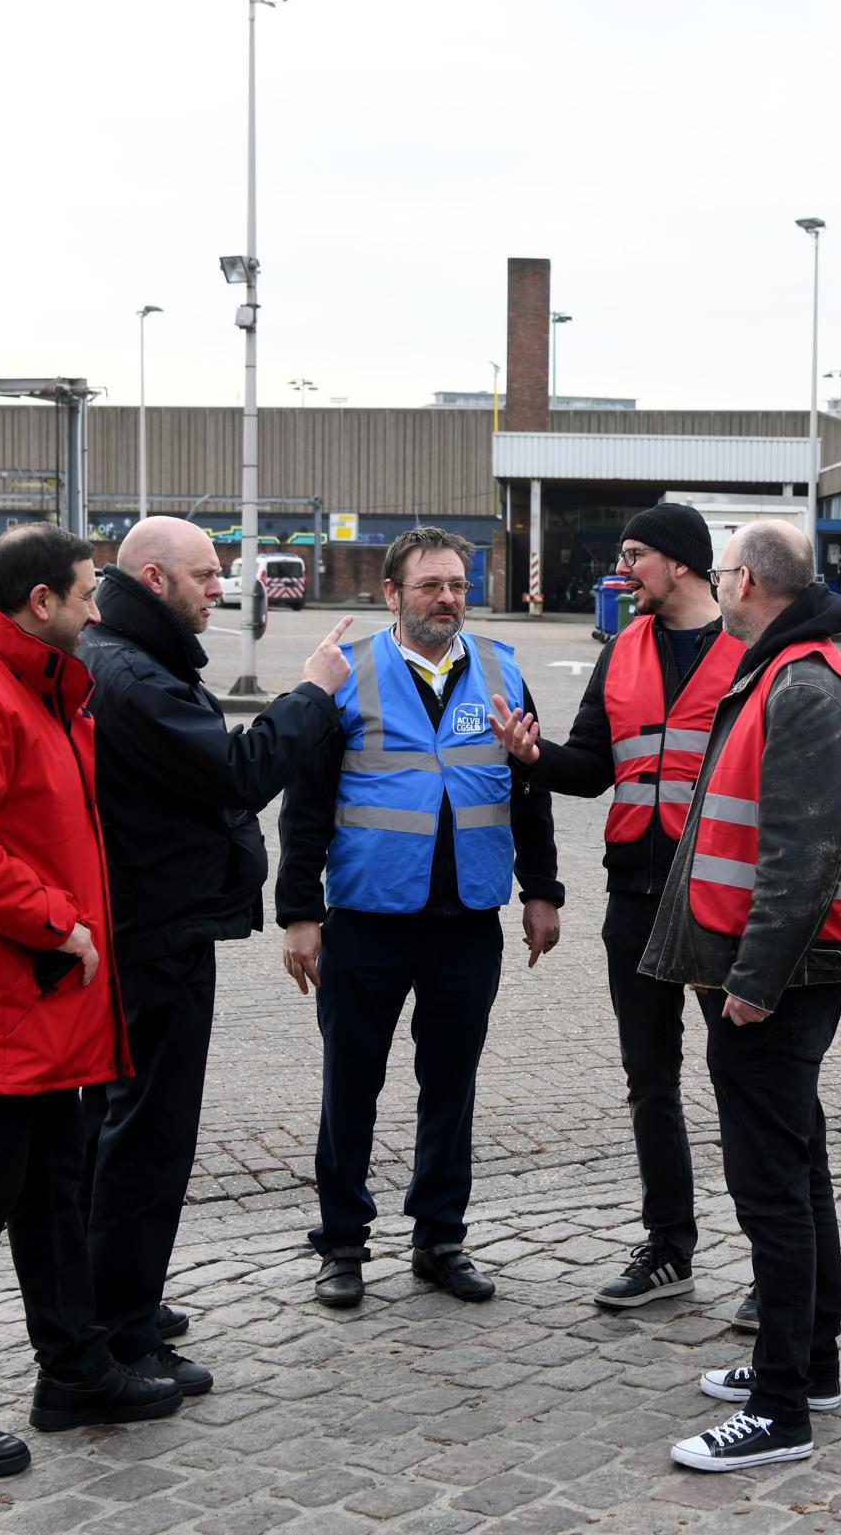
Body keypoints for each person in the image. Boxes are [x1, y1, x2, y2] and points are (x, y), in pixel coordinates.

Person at [0, 524, 183, 1478]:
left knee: (53, 1184)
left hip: (39, 999)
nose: (100, 611)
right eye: (88, 593)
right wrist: (61, 922)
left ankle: (75, 1365)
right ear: (40, 603)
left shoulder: (31, 681)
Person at [640, 520, 841, 1473]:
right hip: (771, 972)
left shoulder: (804, 683)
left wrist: (752, 979)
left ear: (744, 579)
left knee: (771, 1184)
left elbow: (803, 856)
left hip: (777, 980)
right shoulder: (790, 668)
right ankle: (806, 1359)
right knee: (794, 1162)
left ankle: (782, 1405)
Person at [77, 517, 353, 1397]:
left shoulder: (127, 655)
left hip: (153, 921)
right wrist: (311, 693)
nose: (221, 587)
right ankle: (120, 1332)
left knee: (126, 1127)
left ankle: (118, 1296)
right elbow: (238, 772)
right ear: (153, 579)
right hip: (154, 931)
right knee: (147, 1136)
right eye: (205, 575)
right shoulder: (128, 672)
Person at [276, 527, 563, 1311]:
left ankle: (440, 1237)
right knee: (351, 1087)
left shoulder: (501, 670)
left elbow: (527, 789)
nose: (447, 599)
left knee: (451, 1087)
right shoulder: (349, 674)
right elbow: (304, 805)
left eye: (458, 586)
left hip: (468, 919)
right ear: (392, 594)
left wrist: (543, 890)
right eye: (431, 585)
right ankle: (341, 1243)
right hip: (367, 920)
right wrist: (300, 911)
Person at [487, 503, 745, 1316]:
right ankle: (670, 1247)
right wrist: (533, 758)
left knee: (746, 1081)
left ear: (679, 562)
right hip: (635, 892)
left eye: (634, 555)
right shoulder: (623, 648)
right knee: (650, 1079)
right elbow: (593, 766)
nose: (623, 569)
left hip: (720, 895)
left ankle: (779, 1261)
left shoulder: (748, 648)